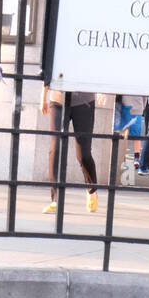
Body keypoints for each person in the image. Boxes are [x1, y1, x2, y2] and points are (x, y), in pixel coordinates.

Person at [40, 83, 99, 214]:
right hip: (58, 100)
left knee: (83, 154)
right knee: (56, 148)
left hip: (84, 101)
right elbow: (49, 68)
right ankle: (56, 199)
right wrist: (43, 96)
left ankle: (92, 190)